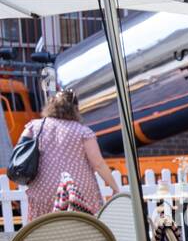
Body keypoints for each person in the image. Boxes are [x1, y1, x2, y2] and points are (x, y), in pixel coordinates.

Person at [17, 90, 115, 219]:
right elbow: (98, 164)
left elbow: (19, 150)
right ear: (75, 109)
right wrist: (114, 187)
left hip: (42, 189)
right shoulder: (83, 132)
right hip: (78, 192)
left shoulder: (34, 127)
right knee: (83, 228)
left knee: (45, 230)